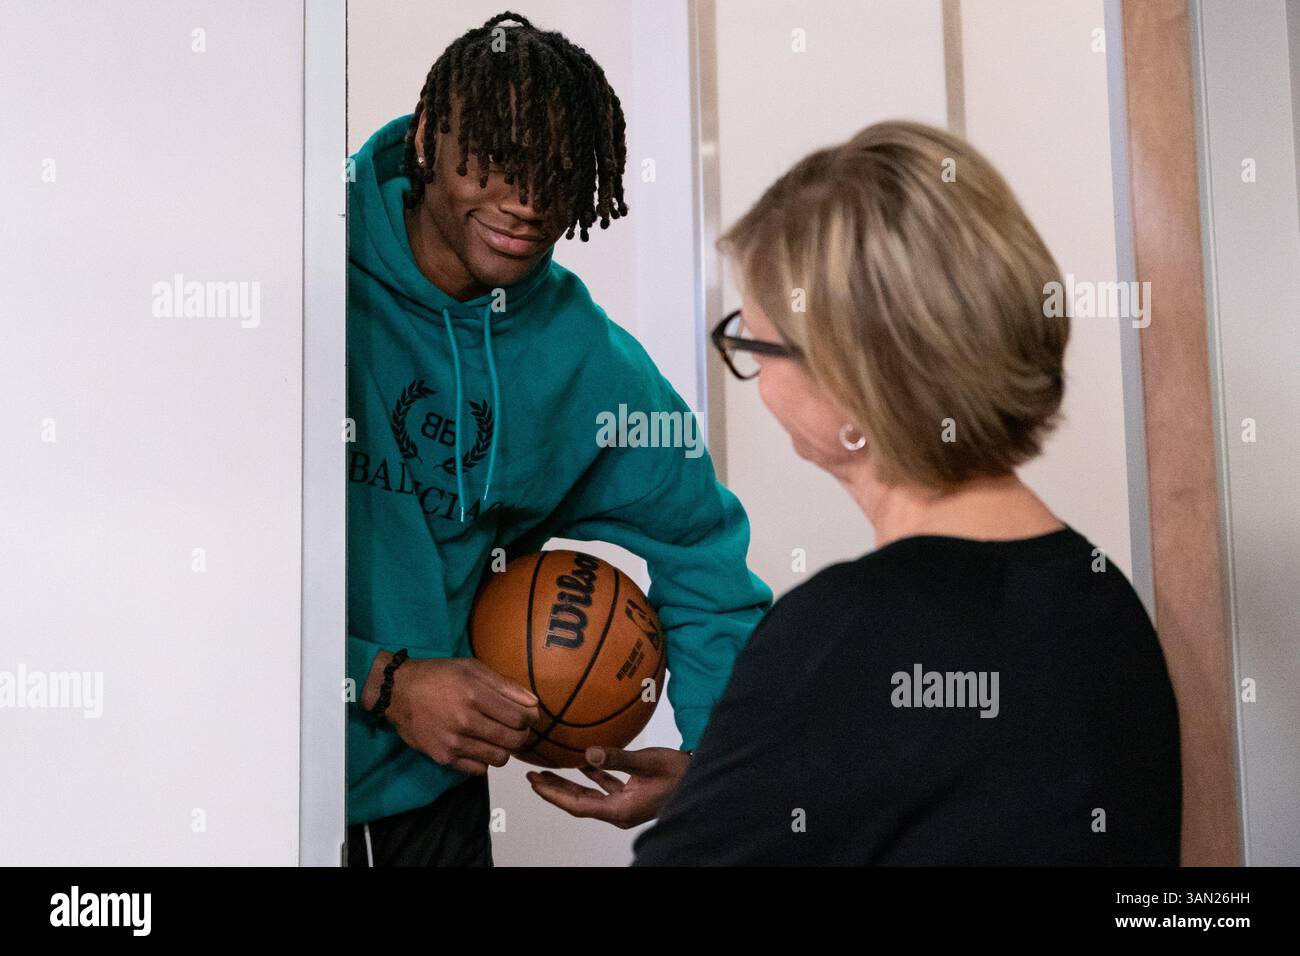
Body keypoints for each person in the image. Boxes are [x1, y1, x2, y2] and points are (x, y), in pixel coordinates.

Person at [632, 120, 1182, 865]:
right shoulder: (1107, 602)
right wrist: (737, 786)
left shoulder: (840, 638)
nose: (755, 375)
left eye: (757, 345)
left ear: (853, 381)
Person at [345, 11, 771, 866]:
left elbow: (704, 552)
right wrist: (380, 680)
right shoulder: (308, 273)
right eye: (497, 157)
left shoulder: (588, 366)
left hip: (430, 795)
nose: (528, 200)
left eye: (559, 173)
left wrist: (714, 766)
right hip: (245, 759)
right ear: (429, 136)